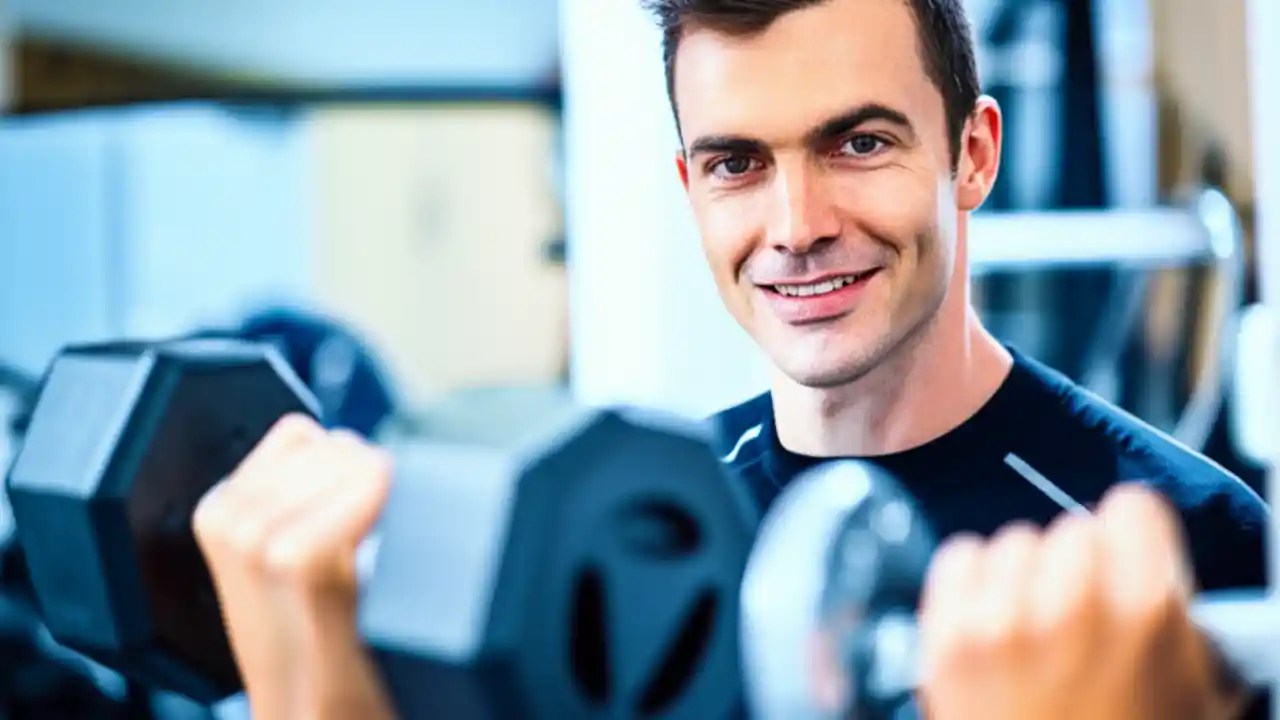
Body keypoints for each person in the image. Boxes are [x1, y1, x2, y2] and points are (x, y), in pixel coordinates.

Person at [191, 0, 1269, 717]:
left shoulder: (1189, 535)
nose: (794, 223)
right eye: (737, 163)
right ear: (689, 188)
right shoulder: (645, 515)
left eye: (858, 143)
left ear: (970, 154)